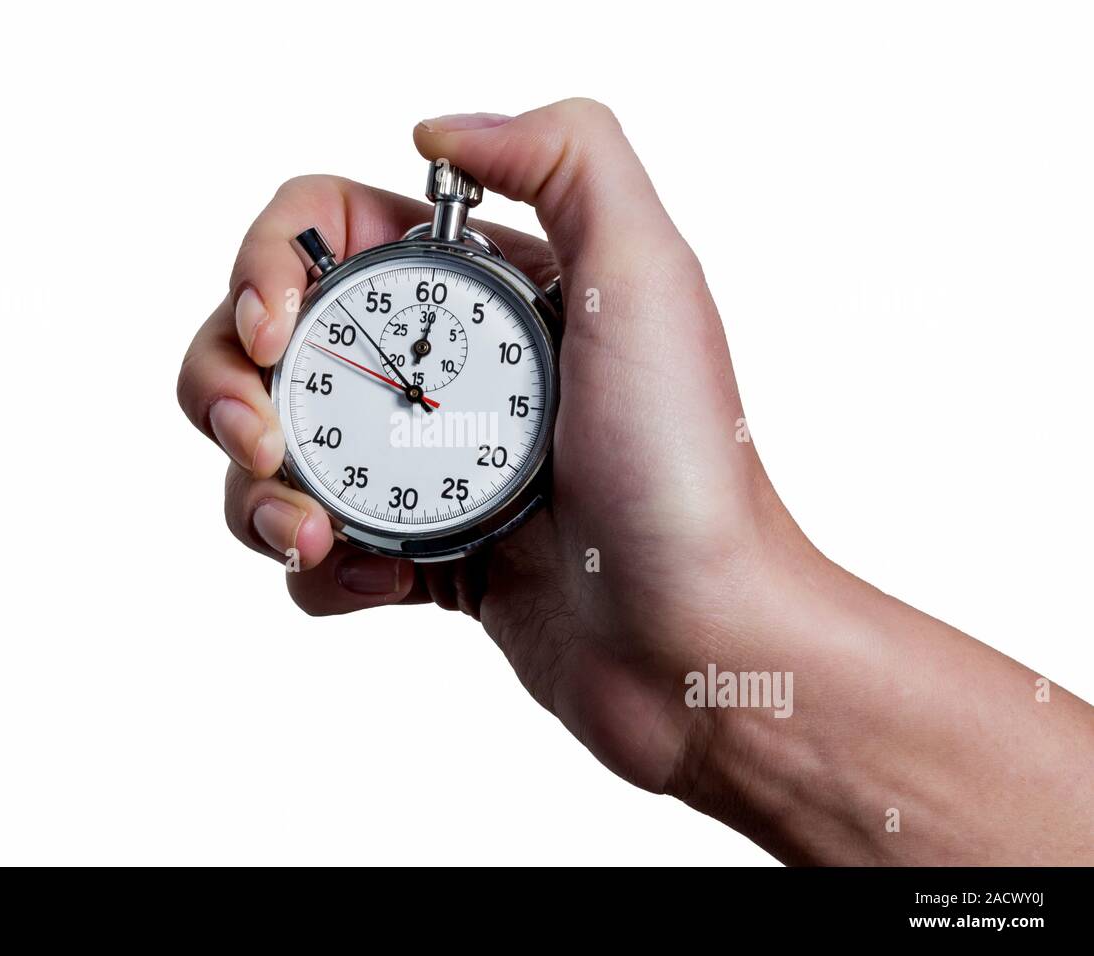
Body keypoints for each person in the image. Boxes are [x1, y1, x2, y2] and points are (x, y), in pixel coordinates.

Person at [177, 99, 1094, 865]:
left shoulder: (553, 333)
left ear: (534, 323)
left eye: (433, 385)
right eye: (407, 387)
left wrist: (713, 675)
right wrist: (709, 693)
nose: (425, 399)